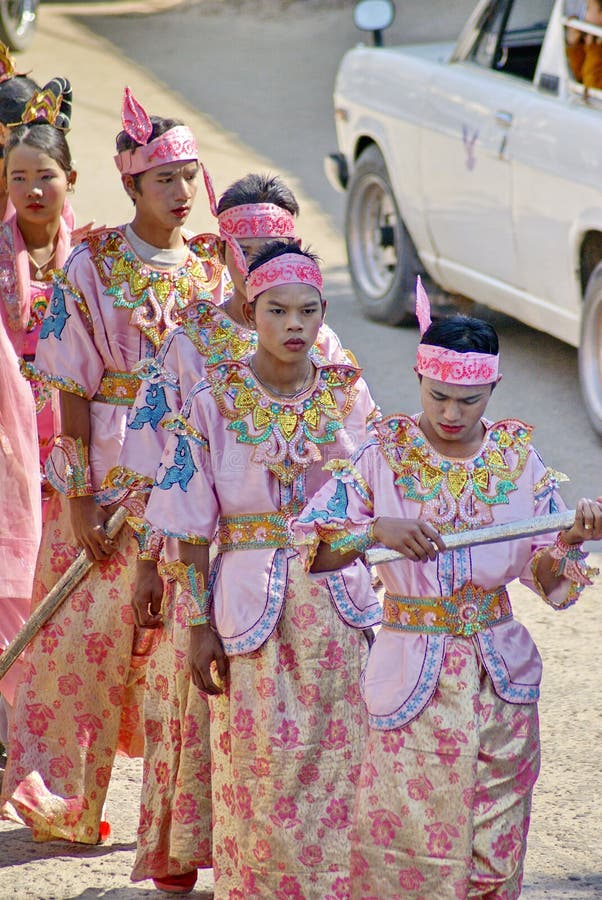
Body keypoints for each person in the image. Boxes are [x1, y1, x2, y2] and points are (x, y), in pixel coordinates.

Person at [298, 282, 602, 899]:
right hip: (412, 676)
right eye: (438, 396)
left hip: (499, 679)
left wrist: (569, 538)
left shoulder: (518, 461)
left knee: (495, 844)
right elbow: (315, 549)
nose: (452, 414)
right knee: (407, 840)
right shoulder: (382, 455)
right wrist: (373, 531)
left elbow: (546, 582)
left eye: (469, 399)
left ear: (492, 389)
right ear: (419, 379)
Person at [0, 88, 223, 845]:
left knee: (172, 657)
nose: (182, 192)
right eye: (165, 179)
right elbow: (66, 384)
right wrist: (80, 499)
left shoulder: (211, 275)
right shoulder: (92, 263)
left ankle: (173, 826)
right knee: (82, 655)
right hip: (103, 474)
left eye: (190, 176)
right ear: (130, 185)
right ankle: (67, 802)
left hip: (180, 488)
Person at [143, 242, 381, 897]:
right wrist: (195, 627)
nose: (294, 324)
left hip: (338, 609)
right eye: (277, 310)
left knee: (342, 762)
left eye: (308, 310)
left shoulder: (348, 396)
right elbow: (189, 527)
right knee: (260, 771)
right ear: (252, 310)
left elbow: (384, 495)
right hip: (248, 614)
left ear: (324, 312)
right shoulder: (211, 400)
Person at [0, 79, 75, 747]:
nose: (32, 190)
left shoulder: (95, 263)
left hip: (78, 444)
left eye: (44, 176)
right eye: (17, 176)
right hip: (7, 448)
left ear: (68, 179)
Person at [566, 0, 602, 89]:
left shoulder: (595, 48)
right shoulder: (594, 41)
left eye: (588, 9)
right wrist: (575, 45)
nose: (584, 15)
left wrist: (593, 50)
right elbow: (580, 76)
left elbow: (592, 86)